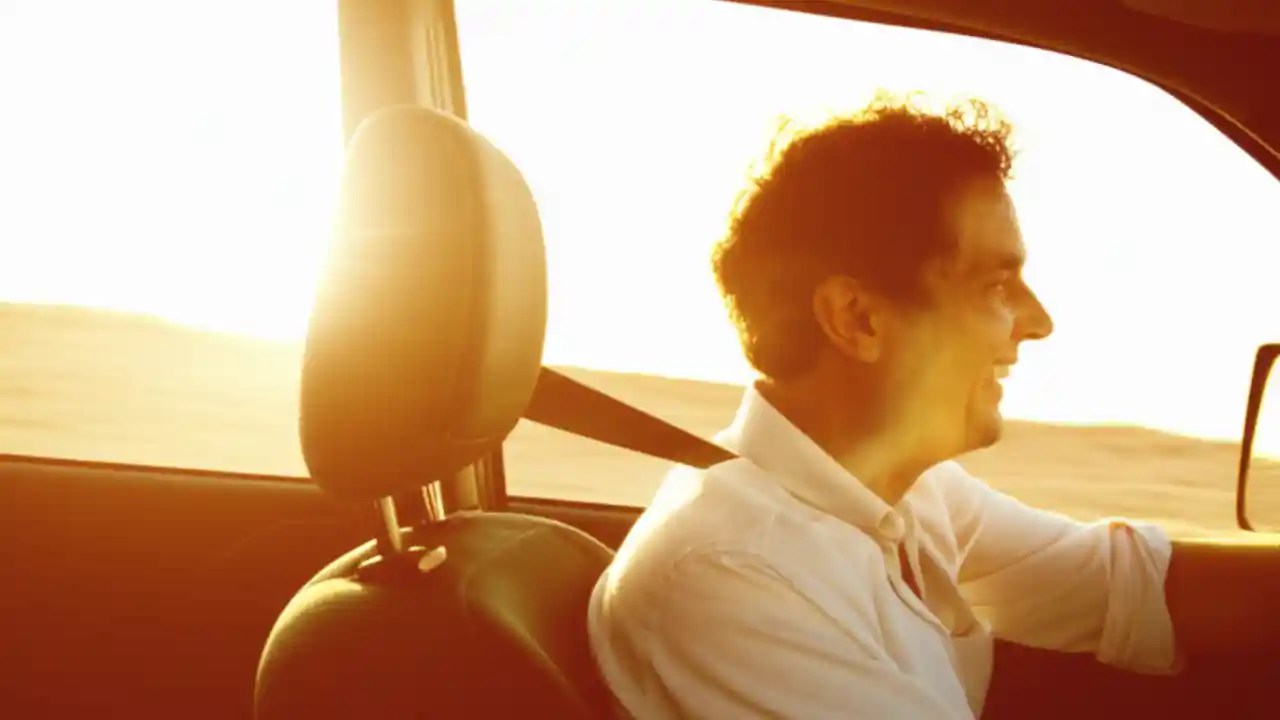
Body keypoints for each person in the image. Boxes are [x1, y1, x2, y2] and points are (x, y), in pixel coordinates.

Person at [585, 93, 1184, 719]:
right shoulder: (732, 576)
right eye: (996, 286)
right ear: (859, 319)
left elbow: (1126, 587)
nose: (1038, 322)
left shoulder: (903, 492)